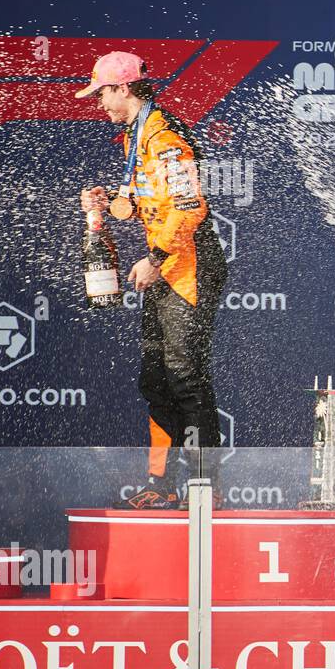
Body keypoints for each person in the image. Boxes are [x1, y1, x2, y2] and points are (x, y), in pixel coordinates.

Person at [76, 51, 228, 508]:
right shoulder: (135, 138)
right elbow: (144, 203)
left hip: (189, 264)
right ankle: (161, 485)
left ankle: (205, 488)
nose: (98, 102)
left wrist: (155, 257)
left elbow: (189, 207)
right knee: (156, 378)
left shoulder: (164, 138)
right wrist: (106, 207)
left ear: (122, 88)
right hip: (166, 265)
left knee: (184, 374)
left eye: (101, 92)